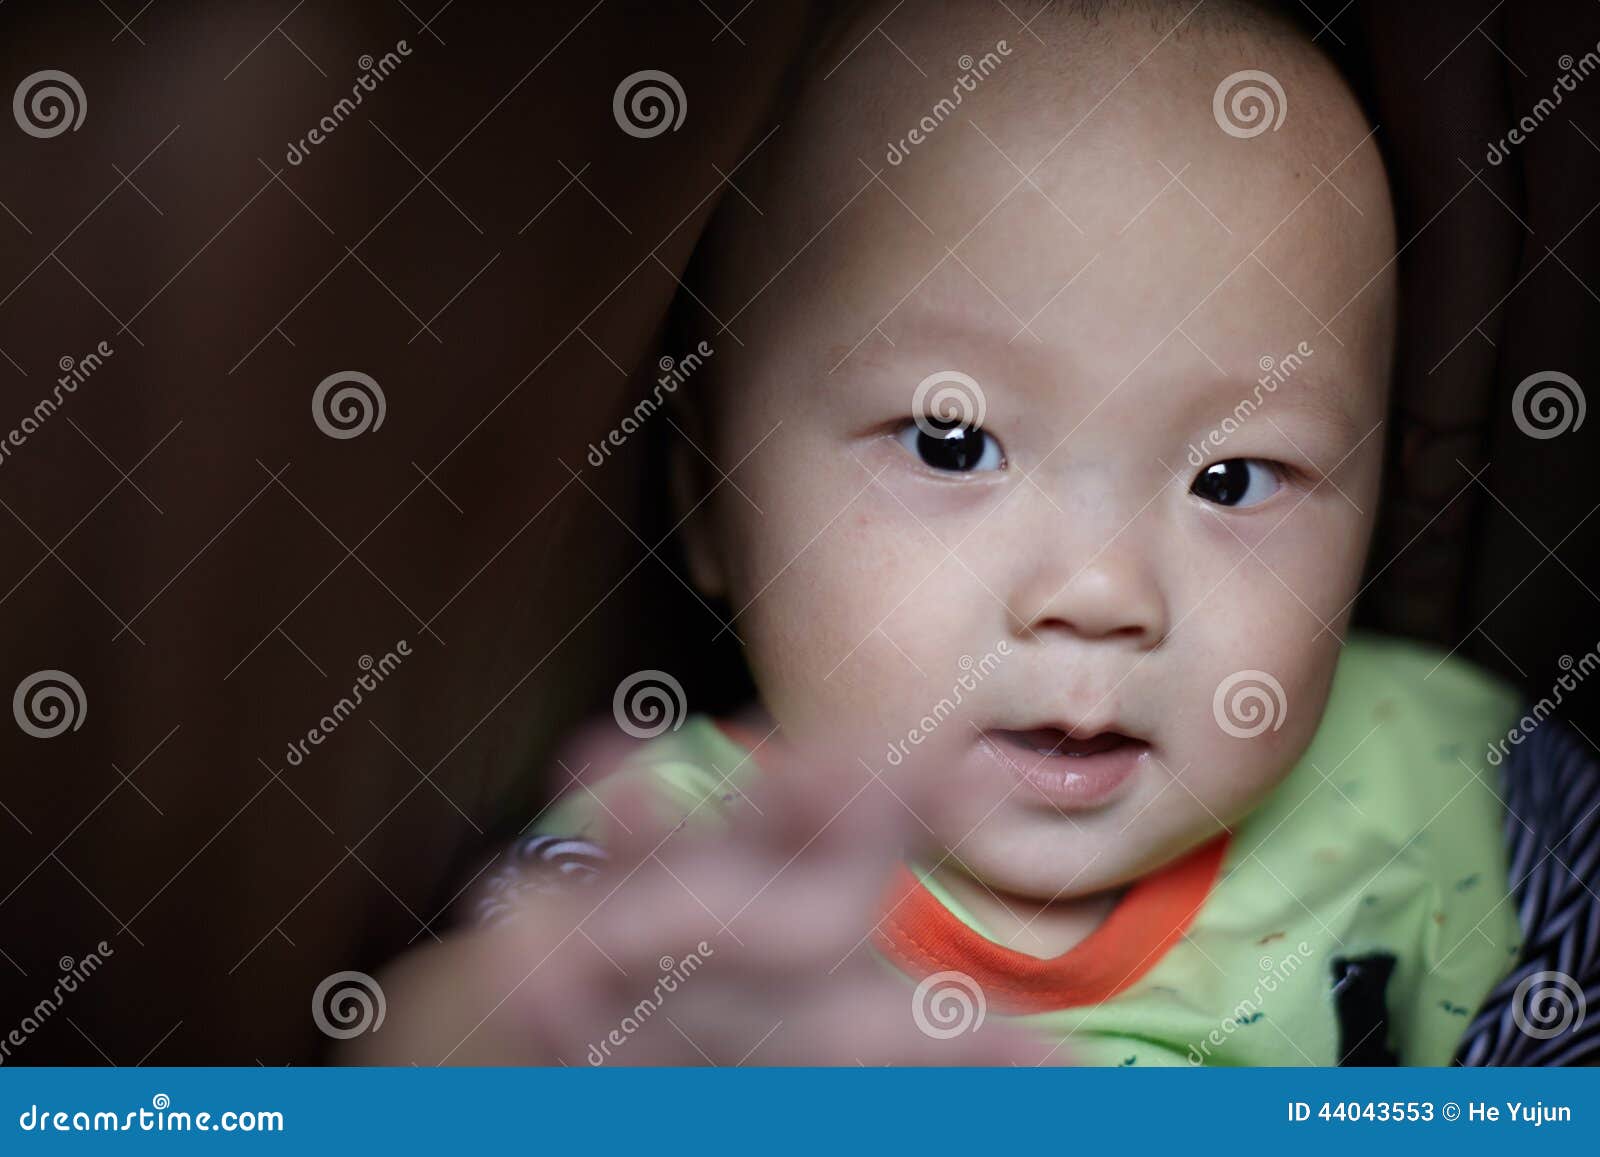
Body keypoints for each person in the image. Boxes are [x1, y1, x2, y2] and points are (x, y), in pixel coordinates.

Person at [347, 0, 1542, 1066]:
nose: (1098, 588)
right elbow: (455, 1036)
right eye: (950, 444)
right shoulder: (701, 863)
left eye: (1234, 478)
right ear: (710, 503)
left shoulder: (1452, 786)